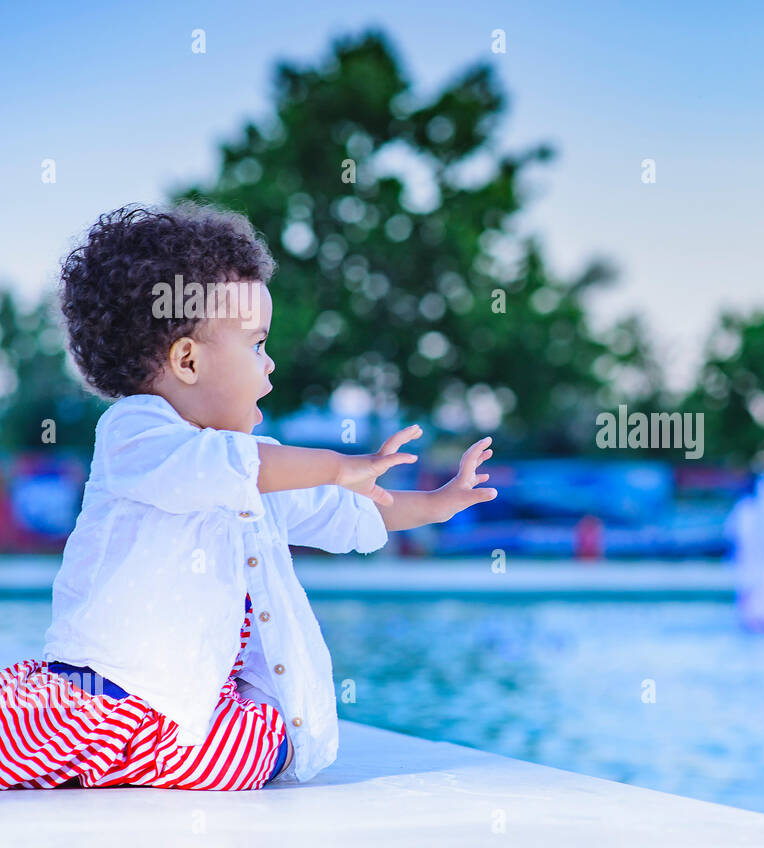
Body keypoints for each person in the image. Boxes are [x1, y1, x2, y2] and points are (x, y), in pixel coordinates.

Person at [0, 204, 497, 790]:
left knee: (266, 737)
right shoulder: (135, 435)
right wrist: (340, 465)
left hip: (186, 720)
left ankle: (140, 757)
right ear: (187, 360)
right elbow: (227, 467)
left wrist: (438, 502)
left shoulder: (258, 470)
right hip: (106, 688)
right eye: (256, 344)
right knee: (35, 710)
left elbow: (350, 513)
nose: (271, 363)